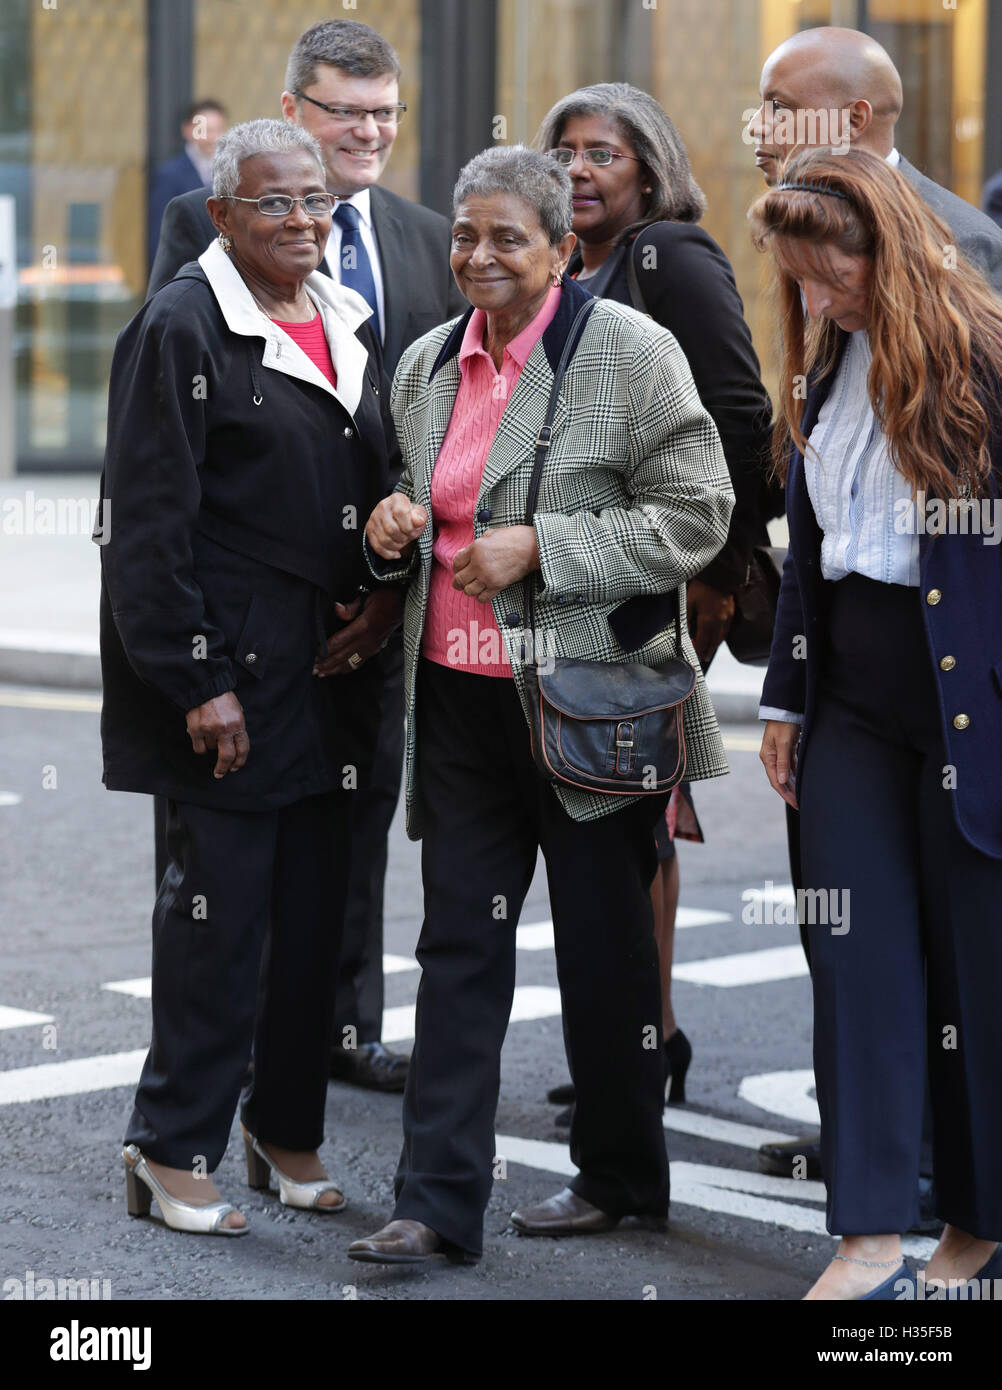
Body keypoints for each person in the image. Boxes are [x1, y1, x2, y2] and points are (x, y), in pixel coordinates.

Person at [346, 145, 734, 1265]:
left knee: (606, 952)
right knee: (458, 945)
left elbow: (700, 513)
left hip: (588, 699)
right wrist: (389, 533)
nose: (477, 256)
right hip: (459, 703)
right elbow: (421, 508)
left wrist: (544, 548)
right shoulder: (424, 362)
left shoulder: (629, 349)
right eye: (466, 234)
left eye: (507, 237)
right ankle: (437, 1203)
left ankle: (620, 1176)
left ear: (564, 252)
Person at [147, 19, 467, 1096]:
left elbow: (433, 420)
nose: (368, 132)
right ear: (295, 110)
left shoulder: (430, 240)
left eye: (385, 114)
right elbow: (166, 444)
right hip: (247, 609)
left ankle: (337, 1028)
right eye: (346, 112)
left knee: (355, 817)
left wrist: (390, 588)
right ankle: (222, 1045)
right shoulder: (201, 225)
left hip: (377, 598)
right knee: (227, 843)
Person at [98, 119, 400, 1235]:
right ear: (222, 216)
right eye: (274, 204)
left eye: (316, 202)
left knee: (317, 921)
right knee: (218, 924)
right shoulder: (180, 323)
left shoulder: (346, 318)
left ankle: (286, 1129)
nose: (302, 222)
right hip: (227, 672)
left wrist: (381, 596)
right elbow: (146, 529)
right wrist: (195, 681)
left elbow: (376, 489)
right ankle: (170, 1144)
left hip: (333, 675)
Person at [747, 23, 1002, 1191]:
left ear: (849, 122)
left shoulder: (968, 255)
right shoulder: (807, 285)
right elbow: (815, 514)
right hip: (846, 670)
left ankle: (960, 1199)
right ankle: (870, 1195)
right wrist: (788, 692)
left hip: (955, 671)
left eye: (776, 102)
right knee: (852, 941)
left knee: (961, 958)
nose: (756, 126)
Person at [533, 83, 775, 1125]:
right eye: (565, 155)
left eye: (602, 154)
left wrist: (710, 577)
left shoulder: (667, 258)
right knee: (629, 802)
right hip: (596, 581)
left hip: (663, 587)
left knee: (630, 806)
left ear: (649, 169)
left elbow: (739, 416)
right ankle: (649, 1035)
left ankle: (640, 1045)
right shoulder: (573, 270)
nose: (580, 171)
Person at [147, 100, 227, 267]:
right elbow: (160, 235)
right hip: (187, 271)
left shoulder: (230, 171)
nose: (213, 137)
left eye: (218, 130)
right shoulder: (170, 175)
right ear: (188, 130)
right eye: (206, 130)